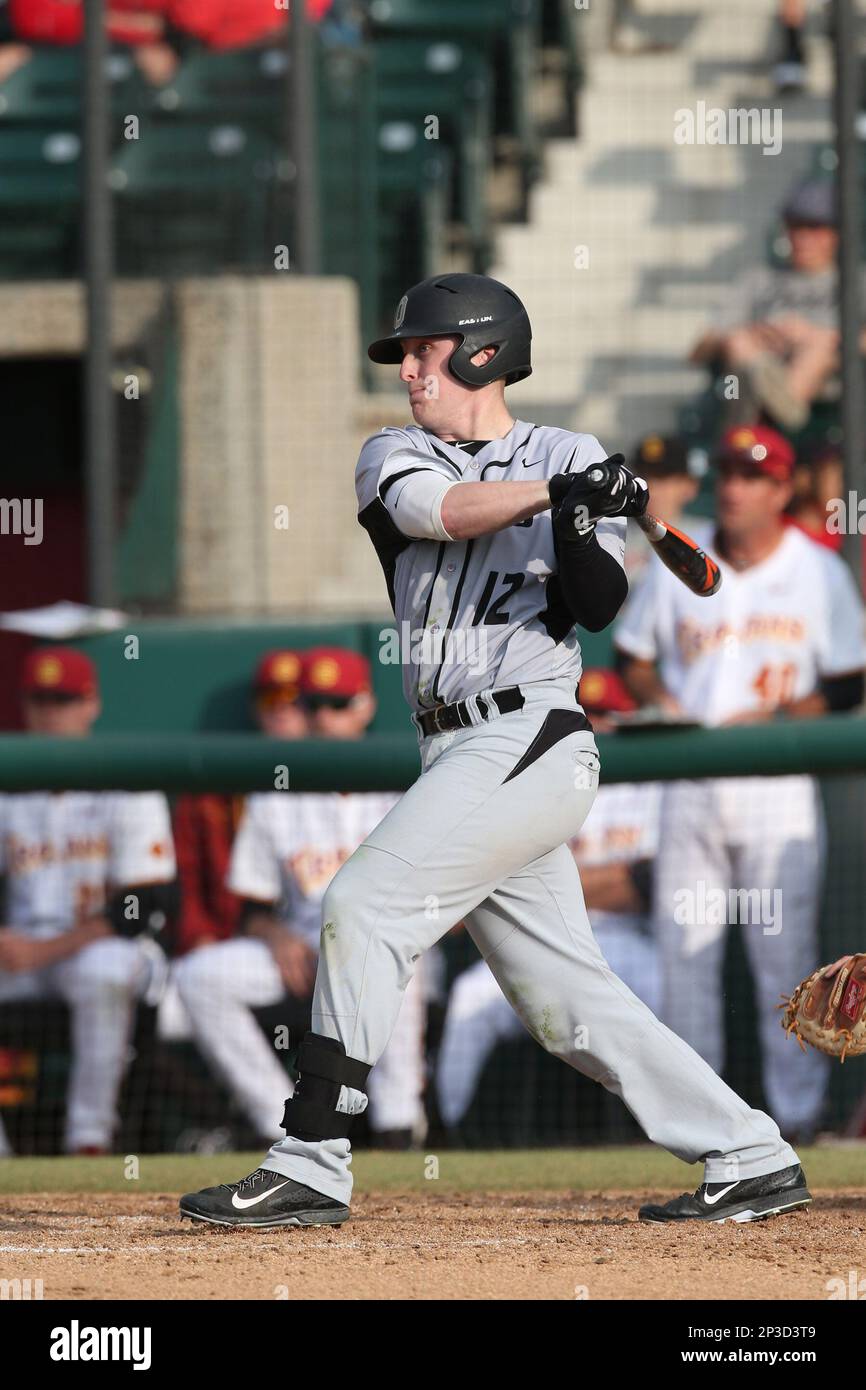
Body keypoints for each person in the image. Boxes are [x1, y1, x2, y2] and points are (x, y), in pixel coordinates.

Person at [181, 271, 811, 1229]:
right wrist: (561, 490)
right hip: (454, 750)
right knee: (565, 1002)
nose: (410, 372)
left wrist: (583, 513)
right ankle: (748, 1150)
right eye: (407, 356)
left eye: (426, 353)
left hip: (528, 733)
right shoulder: (392, 452)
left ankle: (311, 1155)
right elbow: (435, 512)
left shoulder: (568, 451)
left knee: (361, 901)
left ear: (481, 351)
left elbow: (597, 606)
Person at [615, 423, 866, 1141]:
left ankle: (798, 1119)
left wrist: (783, 716)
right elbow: (632, 654)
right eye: (726, 471)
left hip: (774, 782)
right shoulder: (679, 554)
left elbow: (848, 682)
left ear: (783, 488)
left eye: (753, 474)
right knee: (682, 964)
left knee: (781, 967)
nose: (734, 486)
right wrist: (662, 700)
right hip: (690, 781)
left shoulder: (816, 568)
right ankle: (699, 1126)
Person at [173, 647, 425, 1149]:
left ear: (366, 707)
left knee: (400, 958)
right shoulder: (276, 792)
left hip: (395, 940)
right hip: (305, 950)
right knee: (200, 977)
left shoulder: (406, 783)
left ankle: (400, 1122)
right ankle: (279, 1122)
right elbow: (252, 909)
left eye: (337, 705)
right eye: (311, 706)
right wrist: (276, 937)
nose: (323, 719)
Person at [435, 668, 663, 1132]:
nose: (595, 725)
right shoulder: (538, 780)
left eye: (606, 715)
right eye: (587, 714)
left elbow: (644, 885)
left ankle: (651, 1128)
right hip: (540, 931)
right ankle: (446, 1136)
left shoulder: (649, 785)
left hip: (628, 941)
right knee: (467, 999)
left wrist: (537, 877)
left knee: (663, 985)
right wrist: (608, 880)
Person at [0, 647, 177, 1155]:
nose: (51, 713)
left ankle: (89, 1141)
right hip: (23, 951)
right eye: (40, 700)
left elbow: (141, 906)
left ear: (91, 704)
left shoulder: (123, 778)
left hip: (107, 947)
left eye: (63, 700)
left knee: (102, 971)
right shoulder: (10, 785)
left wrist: (45, 950)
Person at [690, 178, 865, 433]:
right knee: (740, 341)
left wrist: (818, 336)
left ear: (837, 233)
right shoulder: (758, 278)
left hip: (830, 397)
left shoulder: (856, 280)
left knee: (820, 348)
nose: (803, 237)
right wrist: (759, 333)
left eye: (814, 227)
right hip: (758, 372)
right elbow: (698, 350)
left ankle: (773, 422)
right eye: (795, 227)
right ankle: (774, 412)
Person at [170, 650, 307, 960]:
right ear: (254, 707)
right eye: (271, 698)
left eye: (295, 699)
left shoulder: (343, 788)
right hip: (233, 939)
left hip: (311, 937)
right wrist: (199, 935)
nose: (282, 709)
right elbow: (185, 877)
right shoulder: (214, 791)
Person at [625, 434, 702, 585]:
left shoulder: (707, 539)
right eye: (643, 476)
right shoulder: (609, 534)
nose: (649, 487)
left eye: (661, 478)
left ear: (690, 486)